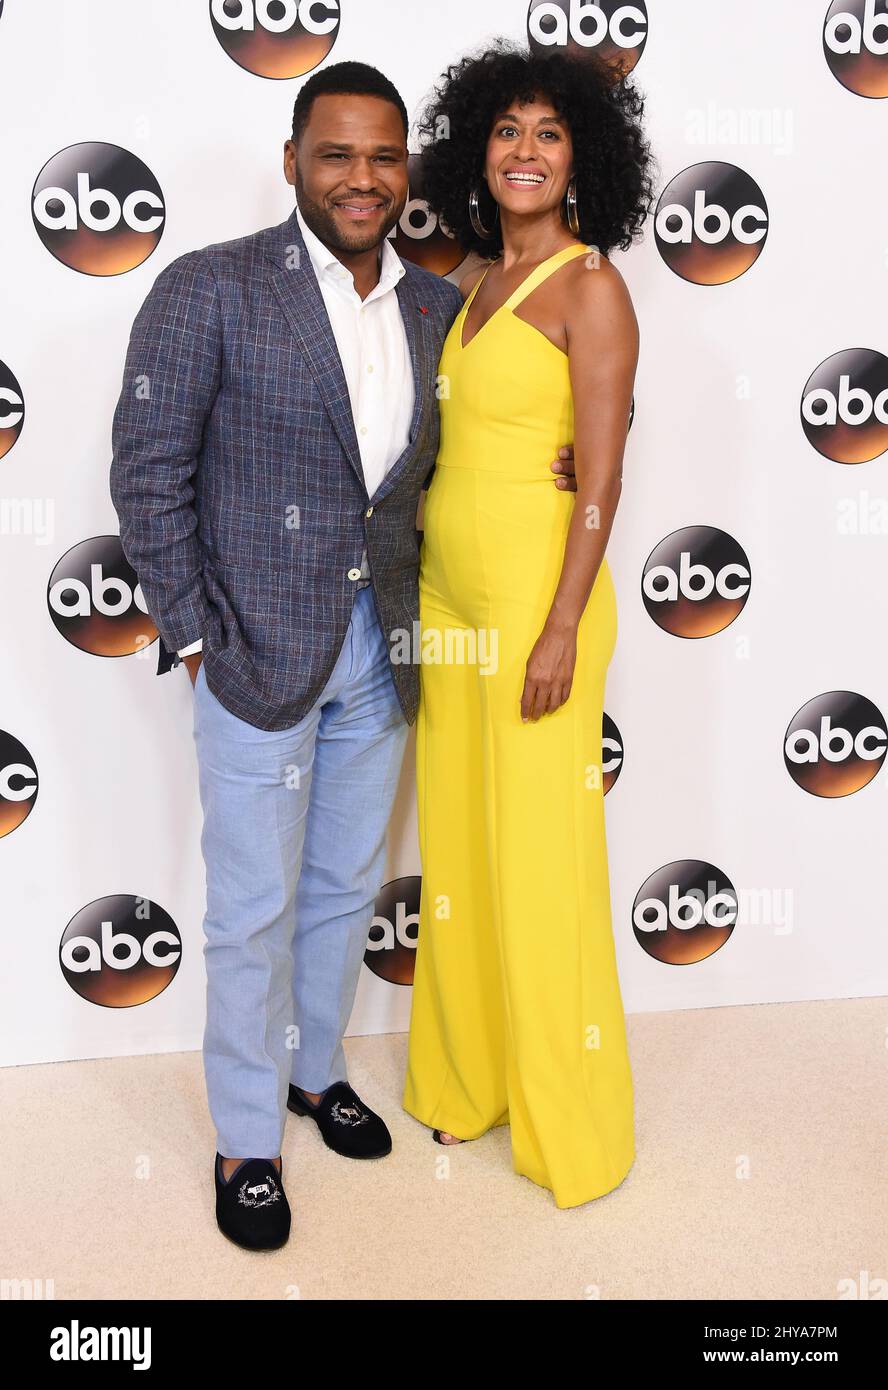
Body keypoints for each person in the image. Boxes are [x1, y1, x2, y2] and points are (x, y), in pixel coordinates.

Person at [110, 61, 577, 1250]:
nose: (361, 179)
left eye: (383, 157)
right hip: (256, 653)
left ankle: (315, 1071)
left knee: (335, 890)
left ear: (404, 171)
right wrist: (198, 633)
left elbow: (481, 442)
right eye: (336, 155)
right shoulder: (207, 289)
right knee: (251, 907)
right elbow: (148, 472)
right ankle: (246, 1139)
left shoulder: (435, 309)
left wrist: (560, 467)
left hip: (389, 651)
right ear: (292, 161)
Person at [403, 43, 655, 1207]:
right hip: (448, 599)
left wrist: (562, 624)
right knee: (457, 846)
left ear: (583, 158)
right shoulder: (469, 283)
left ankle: (573, 1124)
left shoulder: (592, 288)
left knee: (541, 863)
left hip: (534, 608)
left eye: (550, 132)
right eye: (506, 130)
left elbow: (599, 473)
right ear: (475, 148)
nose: (524, 150)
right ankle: (470, 1082)